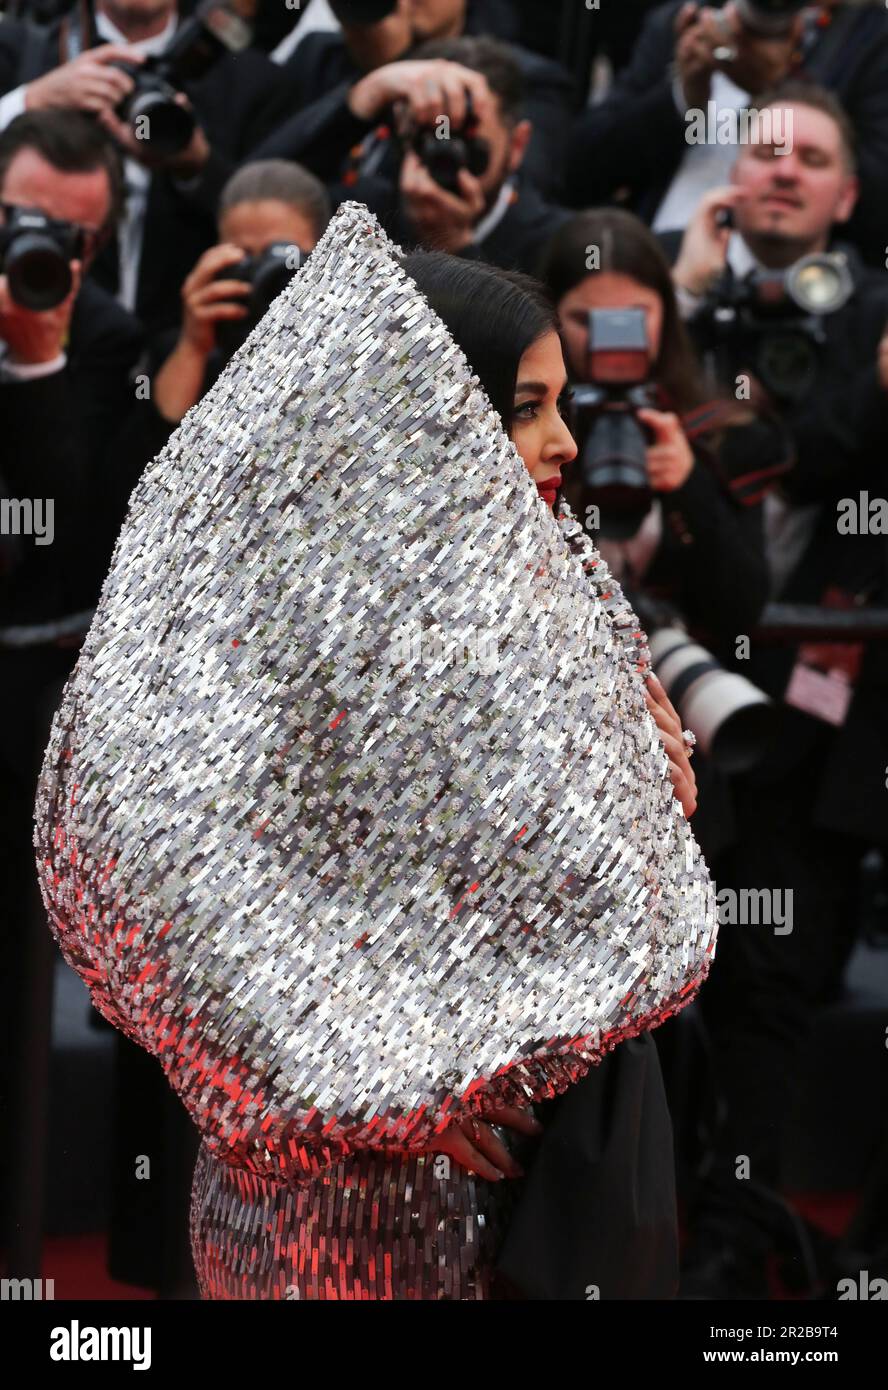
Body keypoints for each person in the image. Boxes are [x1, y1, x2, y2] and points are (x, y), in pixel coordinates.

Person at [35, 202, 716, 1301]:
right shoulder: (260, 621)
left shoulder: (560, 591)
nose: (567, 444)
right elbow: (149, 880)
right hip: (337, 1202)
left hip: (551, 1180)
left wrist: (653, 802)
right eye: (527, 407)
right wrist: (385, 1082)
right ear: (419, 415)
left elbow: (604, 886)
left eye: (567, 405)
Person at [665, 83, 888, 1297]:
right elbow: (730, 457)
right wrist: (691, 301)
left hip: (818, 716)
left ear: (849, 196)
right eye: (765, 151)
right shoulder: (670, 298)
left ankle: (729, 1237)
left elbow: (802, 457)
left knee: (771, 983)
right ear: (730, 183)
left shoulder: (880, 319)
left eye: (813, 157)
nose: (787, 170)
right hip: (666, 695)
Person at [540, 207, 774, 649]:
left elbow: (743, 612)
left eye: (633, 315)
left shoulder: (721, 432)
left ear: (667, 312)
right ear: (548, 318)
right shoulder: (520, 428)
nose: (612, 337)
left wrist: (691, 486)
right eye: (586, 320)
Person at [0, 0, 297, 335]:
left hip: (185, 347)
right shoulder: (17, 51)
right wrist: (29, 100)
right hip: (34, 332)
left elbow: (289, 226)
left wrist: (197, 165)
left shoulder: (251, 81)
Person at [563, 1, 888, 269]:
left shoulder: (872, 42)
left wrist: (776, 88)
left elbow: (874, 203)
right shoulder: (687, 19)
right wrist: (683, 97)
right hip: (651, 265)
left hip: (797, 279)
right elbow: (577, 169)